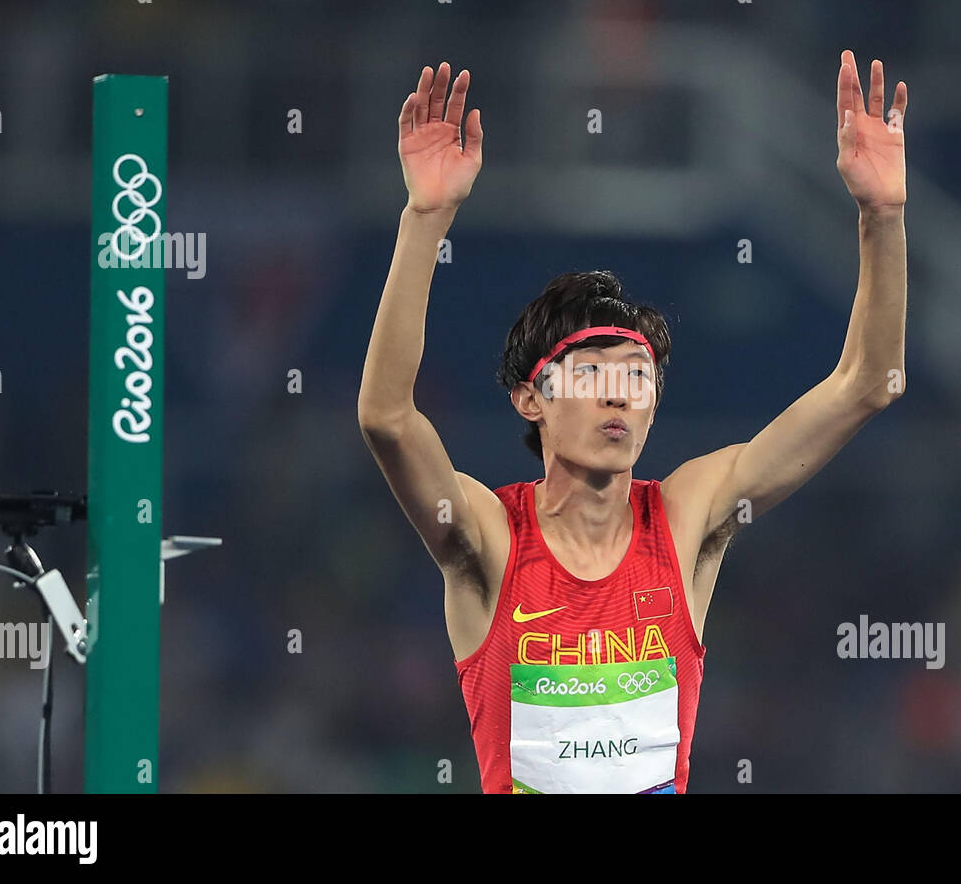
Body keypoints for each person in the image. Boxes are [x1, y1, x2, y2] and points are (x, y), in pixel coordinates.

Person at [358, 52, 909, 793]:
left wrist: (883, 216)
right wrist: (426, 219)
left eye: (636, 378)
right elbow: (387, 417)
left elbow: (868, 383)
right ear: (531, 398)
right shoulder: (488, 537)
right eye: (592, 375)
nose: (618, 396)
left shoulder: (685, 517)